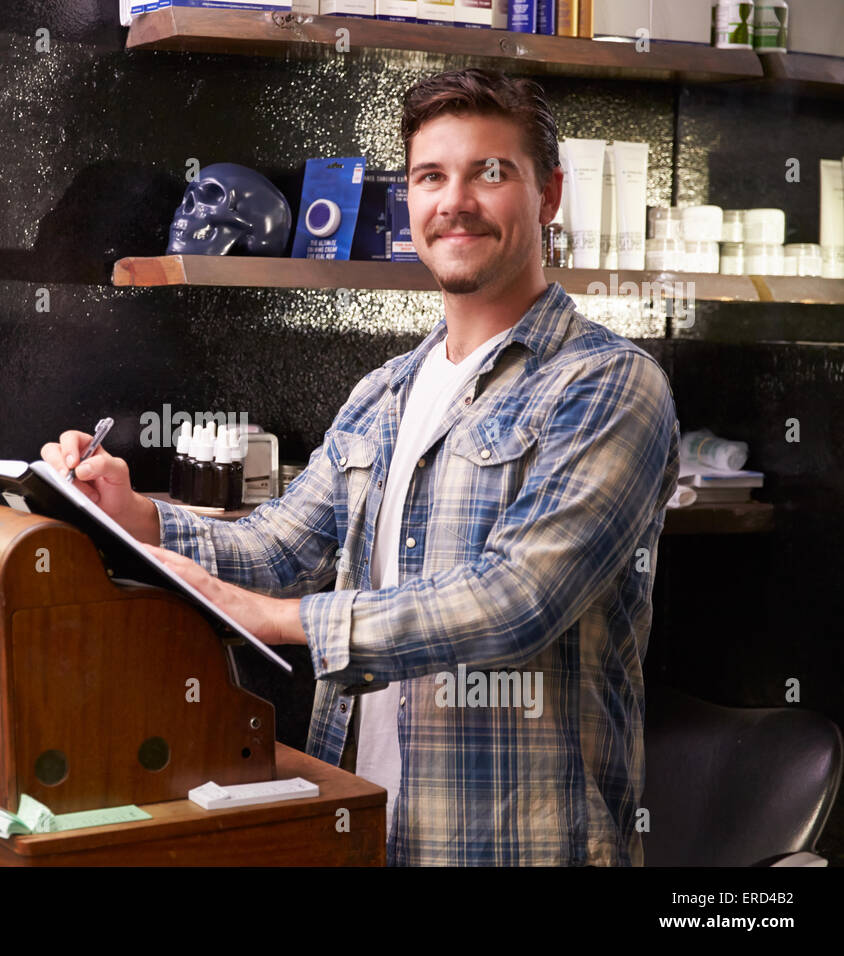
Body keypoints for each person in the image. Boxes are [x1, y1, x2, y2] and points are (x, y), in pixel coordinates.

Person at [42, 68, 679, 866]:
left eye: (490, 172)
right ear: (409, 203)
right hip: (362, 828)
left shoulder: (609, 384)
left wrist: (285, 622)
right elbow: (280, 547)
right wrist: (134, 514)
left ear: (549, 196)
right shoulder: (387, 389)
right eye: (429, 176)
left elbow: (517, 600)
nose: (455, 201)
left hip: (515, 846)